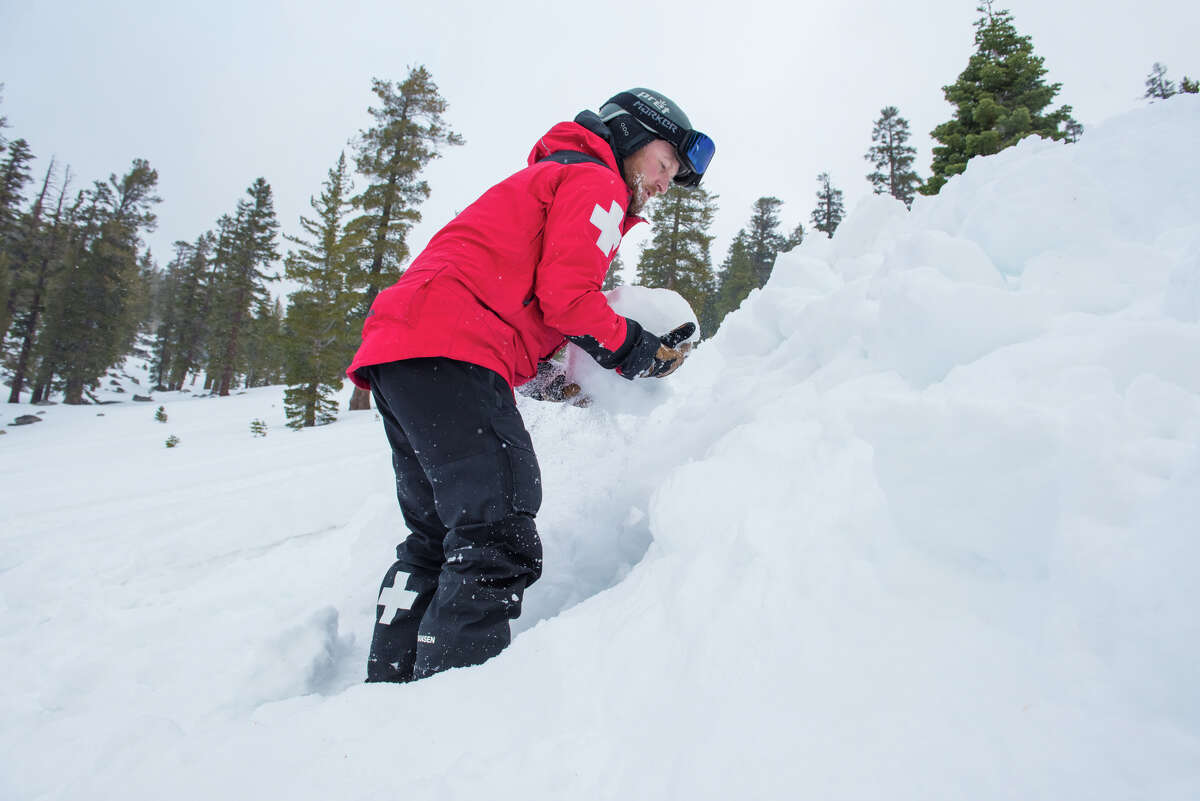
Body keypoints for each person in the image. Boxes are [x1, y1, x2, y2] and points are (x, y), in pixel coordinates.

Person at [346, 88, 715, 683]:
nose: (667, 183)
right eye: (666, 163)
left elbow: (519, 299)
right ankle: (444, 704)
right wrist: (635, 350)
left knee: (438, 537)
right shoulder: (596, 183)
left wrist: (546, 376)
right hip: (454, 349)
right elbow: (568, 299)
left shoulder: (554, 177)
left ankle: (390, 685)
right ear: (628, 135)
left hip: (404, 353)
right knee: (497, 529)